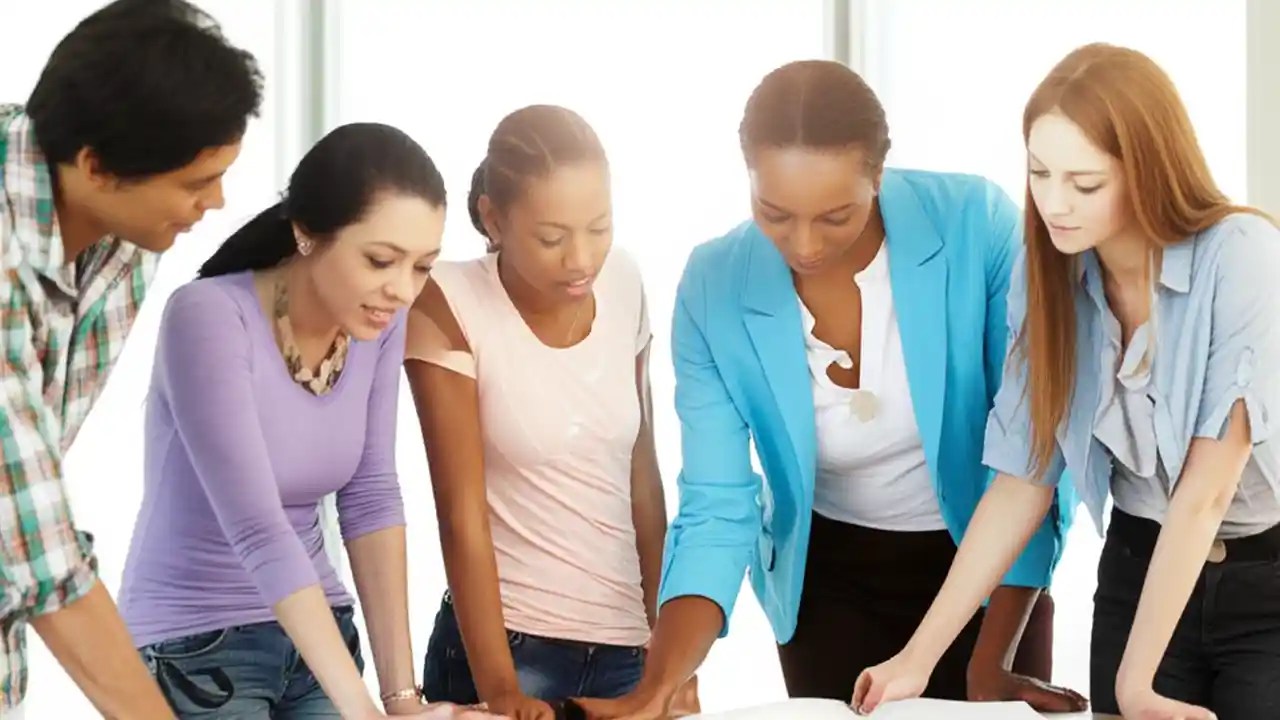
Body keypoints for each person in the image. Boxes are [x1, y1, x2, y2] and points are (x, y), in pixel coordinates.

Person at [577, 60, 1085, 720]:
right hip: (828, 579)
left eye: (835, 215)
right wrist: (658, 683)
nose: (804, 244)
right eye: (775, 213)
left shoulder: (975, 227)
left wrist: (992, 664)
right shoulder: (715, 284)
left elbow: (1030, 451)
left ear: (878, 174)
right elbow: (718, 505)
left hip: (990, 571)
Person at [853, 43, 1280, 720]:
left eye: (1084, 184)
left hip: (1263, 582)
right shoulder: (1047, 274)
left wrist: (1135, 688)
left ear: (1147, 171)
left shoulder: (1243, 255)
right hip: (1138, 565)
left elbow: (1207, 489)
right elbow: (1023, 477)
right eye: (1040, 173)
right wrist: (918, 657)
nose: (1055, 203)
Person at [118, 123, 492, 720]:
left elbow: (370, 496)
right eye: (380, 260)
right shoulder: (209, 317)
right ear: (306, 234)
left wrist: (399, 701)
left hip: (319, 641)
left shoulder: (378, 322)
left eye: (422, 266)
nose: (401, 289)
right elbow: (259, 528)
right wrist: (363, 716)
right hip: (195, 645)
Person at [0, 1, 263, 716]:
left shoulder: (121, 233)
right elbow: (33, 543)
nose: (216, 202)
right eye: (194, 182)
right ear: (96, 167)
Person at [403, 104, 676, 719]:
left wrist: (667, 656)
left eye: (599, 228)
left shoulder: (625, 280)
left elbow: (643, 478)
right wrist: (500, 688)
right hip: (511, 650)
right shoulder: (447, 298)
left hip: (628, 651)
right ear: (492, 218)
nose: (581, 259)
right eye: (552, 238)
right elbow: (460, 514)